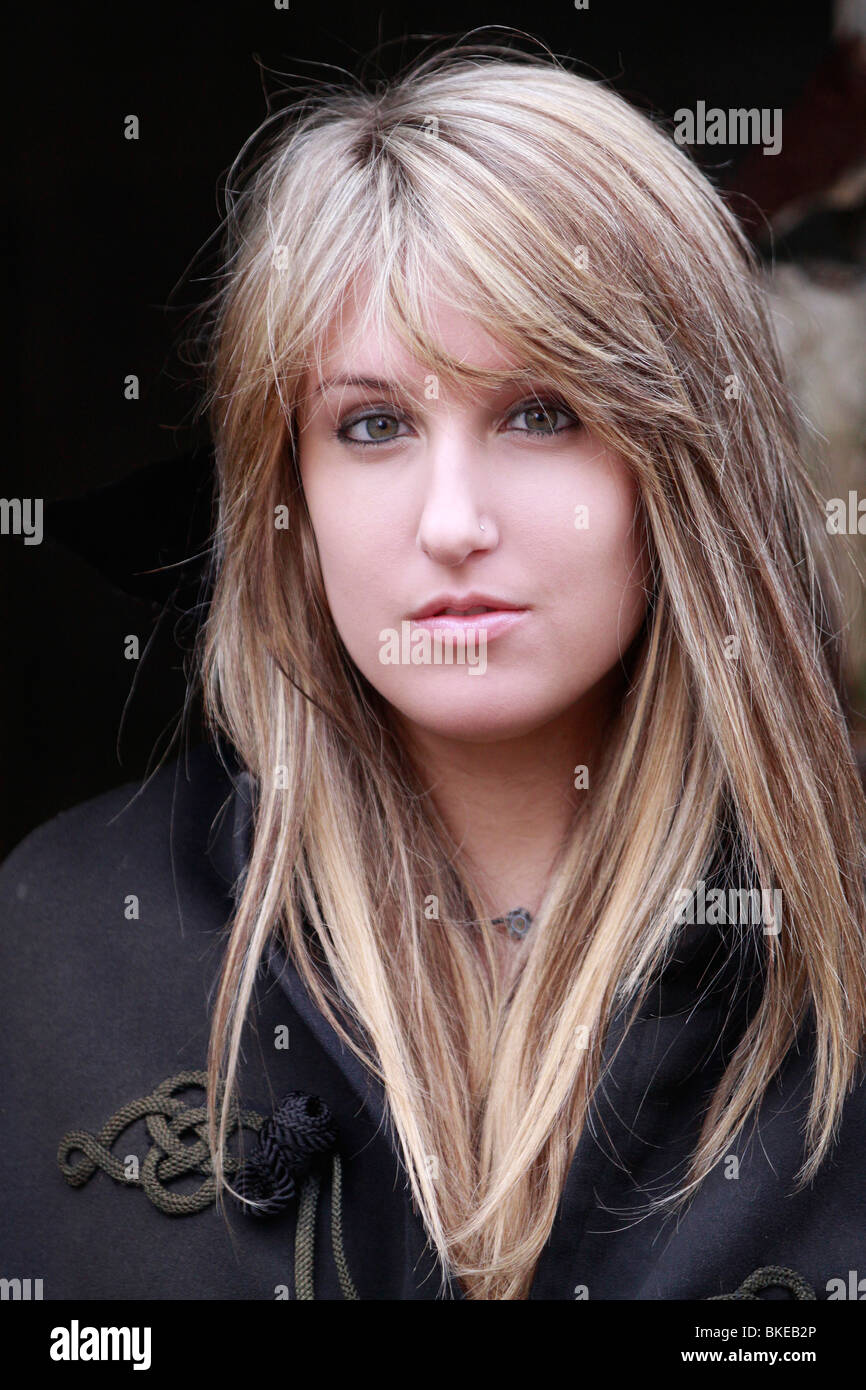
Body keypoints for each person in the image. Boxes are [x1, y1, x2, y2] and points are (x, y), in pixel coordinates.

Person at [1, 41, 865, 1303]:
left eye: (540, 411)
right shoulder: (56, 944)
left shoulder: (828, 940)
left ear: (680, 470)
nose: (450, 519)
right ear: (283, 488)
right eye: (371, 426)